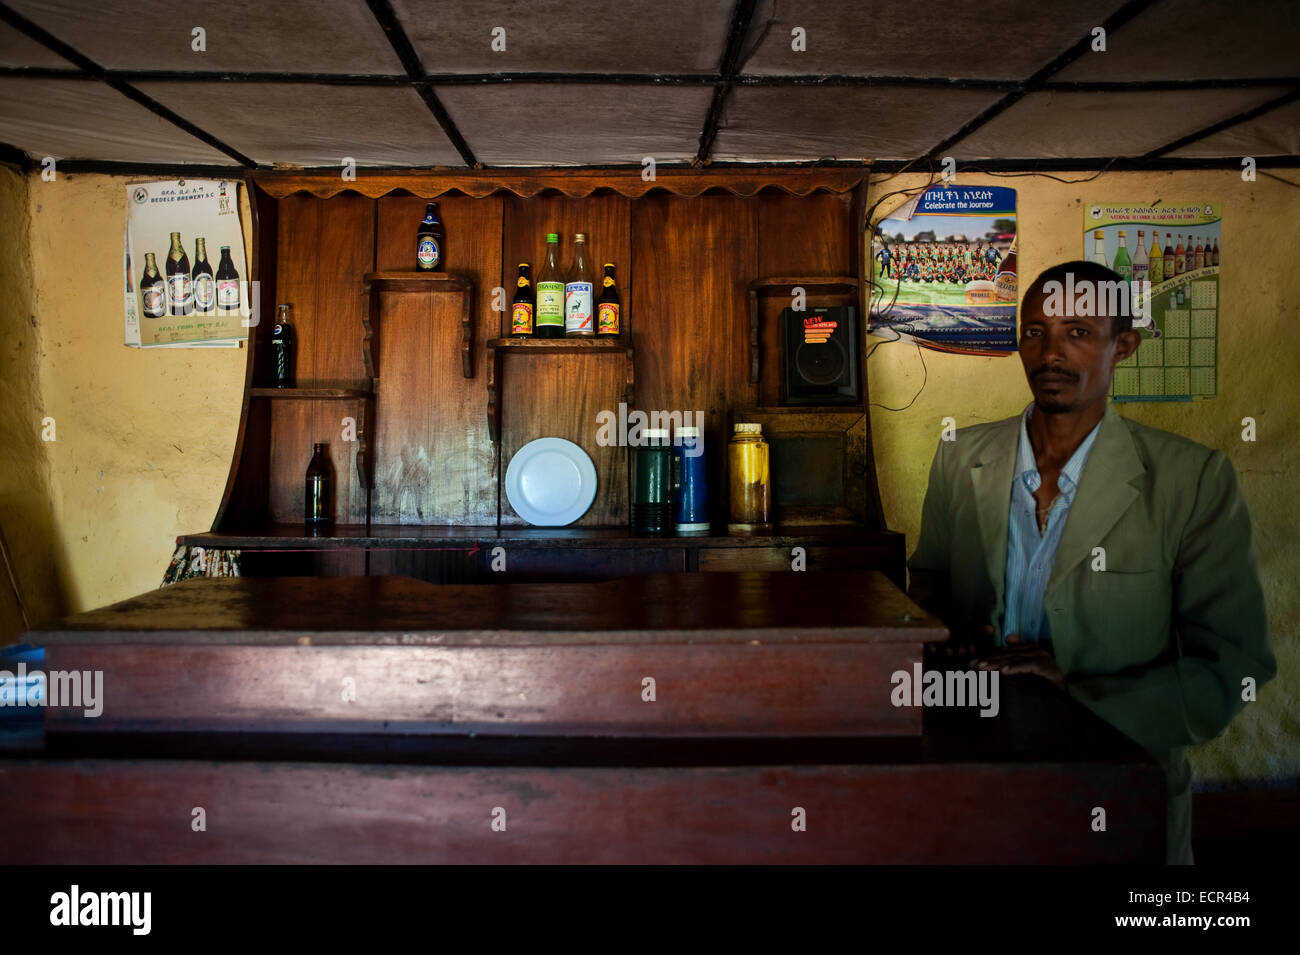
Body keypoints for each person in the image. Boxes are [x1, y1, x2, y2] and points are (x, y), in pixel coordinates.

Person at [907, 261, 1275, 864]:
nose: (1049, 353)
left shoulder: (1190, 480)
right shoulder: (960, 458)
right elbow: (928, 589)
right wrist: (940, 648)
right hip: (981, 780)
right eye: (1034, 332)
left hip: (1120, 788)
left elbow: (1234, 666)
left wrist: (1080, 696)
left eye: (1077, 331)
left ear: (1123, 344)